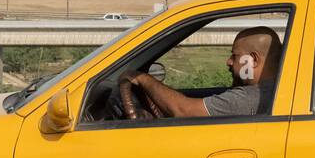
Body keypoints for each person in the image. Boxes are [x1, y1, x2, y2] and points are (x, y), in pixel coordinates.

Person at [119, 26, 281, 119]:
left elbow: (183, 111)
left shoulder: (251, 96)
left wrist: (142, 78)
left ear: (253, 59)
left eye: (235, 56)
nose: (229, 61)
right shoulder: (272, 91)